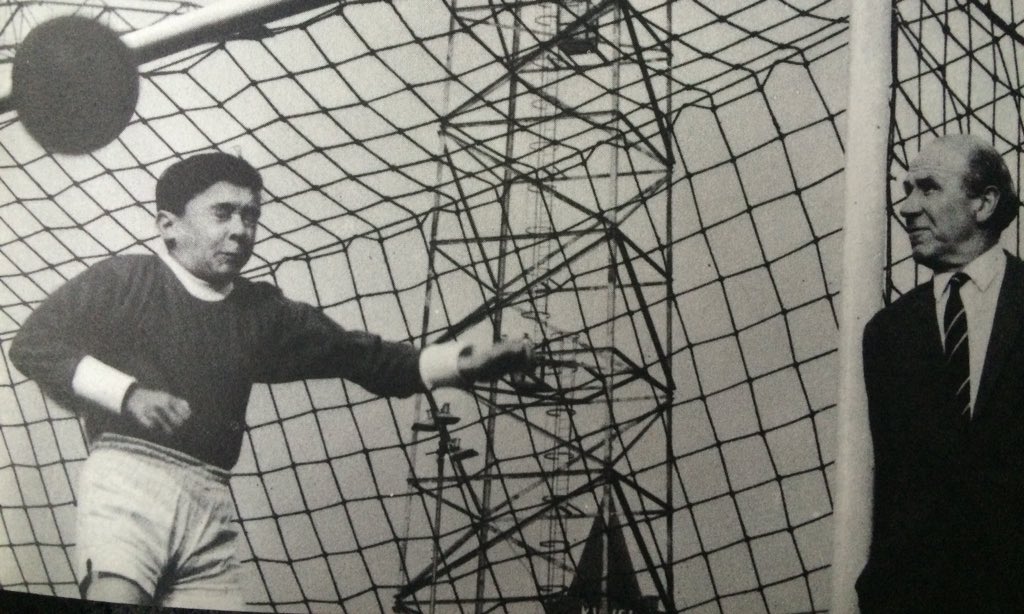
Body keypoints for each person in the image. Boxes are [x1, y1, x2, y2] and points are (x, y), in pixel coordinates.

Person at [9, 152, 532, 610]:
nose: (241, 229)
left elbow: (360, 356)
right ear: (169, 225)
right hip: (128, 480)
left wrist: (462, 364)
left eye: (251, 215)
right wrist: (128, 394)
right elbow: (33, 343)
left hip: (210, 501)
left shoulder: (261, 312)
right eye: (222, 213)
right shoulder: (128, 280)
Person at [857, 134, 1024, 613]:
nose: (907, 208)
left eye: (928, 188)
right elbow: (894, 485)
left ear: (984, 202)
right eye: (906, 190)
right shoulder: (887, 333)